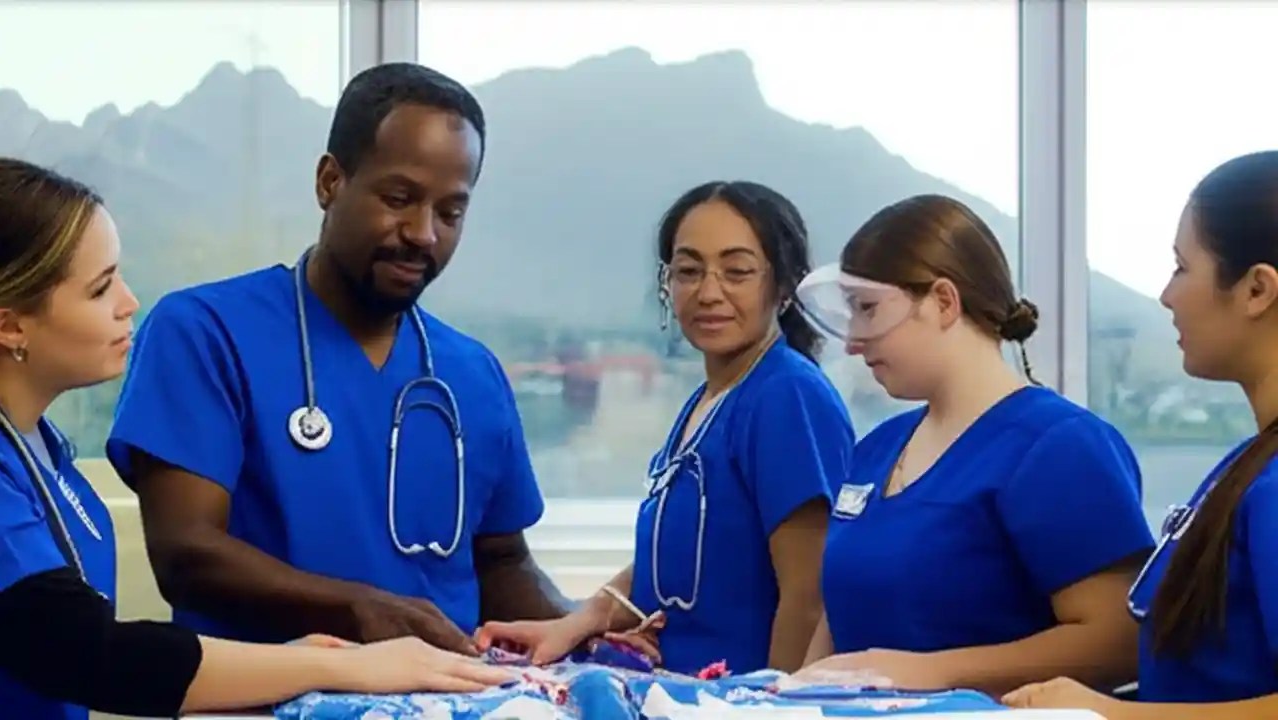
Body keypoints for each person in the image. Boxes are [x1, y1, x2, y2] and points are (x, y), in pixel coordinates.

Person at [0, 157, 513, 720]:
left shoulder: (42, 454)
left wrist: (301, 661)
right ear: (10, 326)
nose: (129, 303)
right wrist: (342, 666)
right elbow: (83, 651)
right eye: (100, 290)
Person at [105, 63, 570, 653]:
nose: (424, 233)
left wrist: (584, 625)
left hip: (442, 700)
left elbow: (502, 563)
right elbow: (185, 552)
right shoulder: (205, 332)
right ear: (330, 181)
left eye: (451, 212)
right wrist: (357, 610)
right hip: (261, 701)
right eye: (400, 198)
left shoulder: (473, 374)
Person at [475, 181, 855, 675]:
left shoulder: (787, 396)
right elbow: (677, 560)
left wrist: (771, 708)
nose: (708, 291)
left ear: (783, 286)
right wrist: (577, 622)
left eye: (737, 271)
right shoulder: (709, 402)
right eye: (689, 270)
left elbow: (809, 596)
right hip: (682, 694)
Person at [795, 194, 1155, 697]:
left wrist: (933, 672)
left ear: (944, 302)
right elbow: (837, 634)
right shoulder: (875, 451)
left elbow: (1116, 640)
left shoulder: (1058, 447)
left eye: (868, 310)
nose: (853, 340)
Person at [1005, 151, 1278, 718]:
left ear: (1257, 289)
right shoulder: (1246, 466)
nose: (1167, 295)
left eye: (1181, 267)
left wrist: (1110, 715)